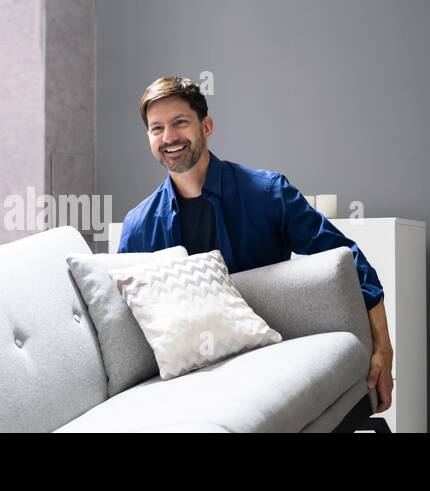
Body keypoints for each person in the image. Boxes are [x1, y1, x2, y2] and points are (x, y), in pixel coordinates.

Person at [119, 76, 394, 414]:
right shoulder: (137, 226)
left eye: (180, 123)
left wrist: (384, 345)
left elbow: (347, 259)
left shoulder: (267, 193)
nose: (169, 137)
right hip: (186, 386)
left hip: (268, 363)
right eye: (156, 128)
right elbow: (129, 323)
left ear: (206, 126)